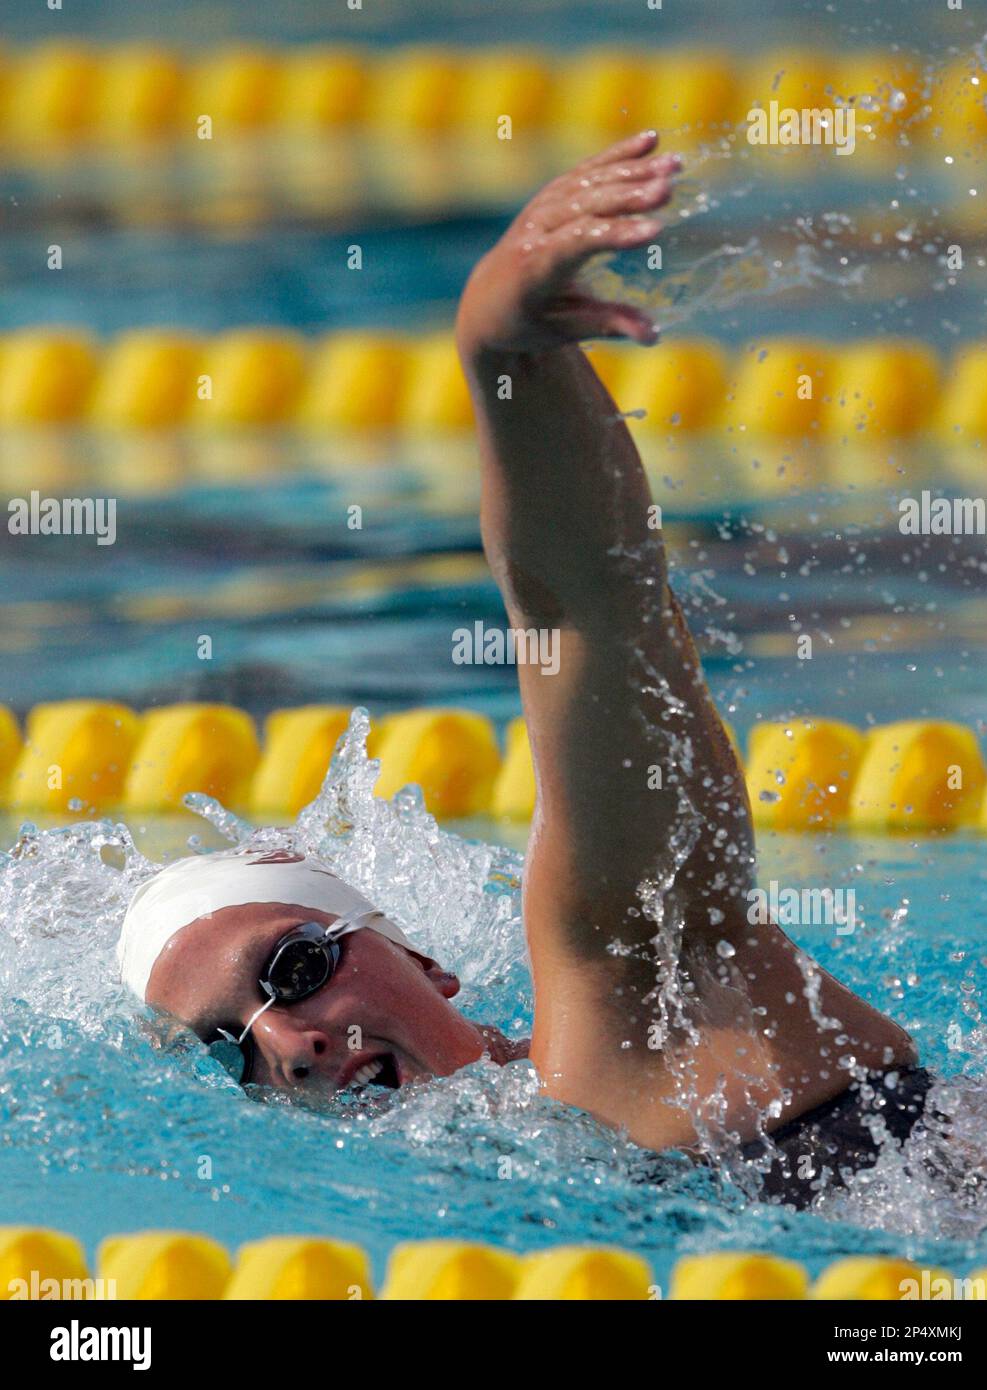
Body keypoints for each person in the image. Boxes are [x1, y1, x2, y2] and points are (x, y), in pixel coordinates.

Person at [119, 132, 930, 1206]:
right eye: (231, 1048)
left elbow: (586, 612)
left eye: (295, 970)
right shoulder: (470, 1205)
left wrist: (503, 356)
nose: (288, 1046)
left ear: (425, 962)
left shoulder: (632, 1008)